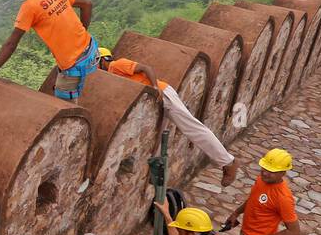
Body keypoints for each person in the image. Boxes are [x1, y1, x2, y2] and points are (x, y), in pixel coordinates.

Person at [98, 47, 238, 186]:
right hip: (153, 103)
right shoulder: (113, 75)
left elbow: (146, 68)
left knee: (192, 128)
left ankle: (228, 162)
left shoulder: (116, 65)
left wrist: (154, 87)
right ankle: (156, 174)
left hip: (163, 94)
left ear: (102, 60)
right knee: (155, 137)